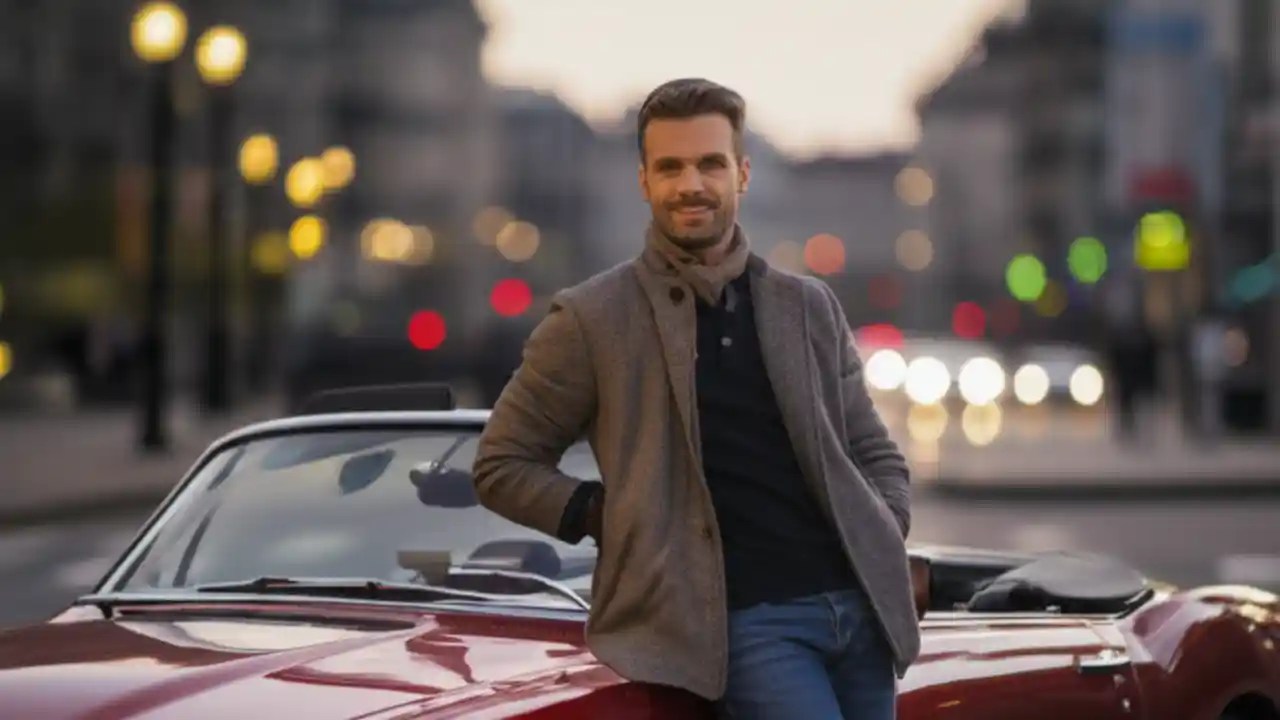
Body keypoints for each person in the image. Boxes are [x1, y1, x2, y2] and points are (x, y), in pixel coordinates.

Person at [473, 77, 919, 719]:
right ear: (644, 181)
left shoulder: (806, 304)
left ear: (741, 174)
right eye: (670, 167)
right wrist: (612, 515)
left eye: (710, 163)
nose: (691, 184)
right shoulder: (592, 318)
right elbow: (500, 464)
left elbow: (870, 446)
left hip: (860, 615)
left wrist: (884, 524)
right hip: (748, 629)